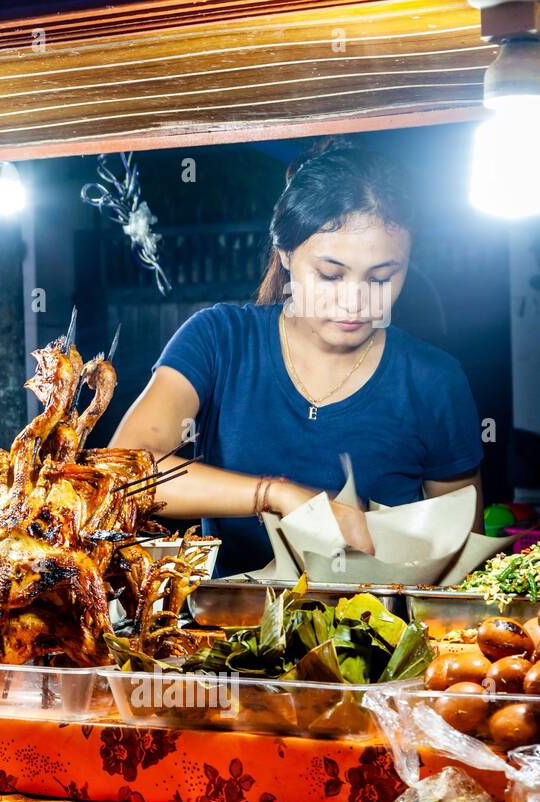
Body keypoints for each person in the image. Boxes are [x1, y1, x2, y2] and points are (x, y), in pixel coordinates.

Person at [112, 139, 482, 577]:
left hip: (383, 635)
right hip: (230, 634)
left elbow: (460, 556)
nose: (355, 302)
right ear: (286, 253)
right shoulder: (219, 339)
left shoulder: (433, 380)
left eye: (382, 277)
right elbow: (124, 475)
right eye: (330, 275)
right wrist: (279, 496)